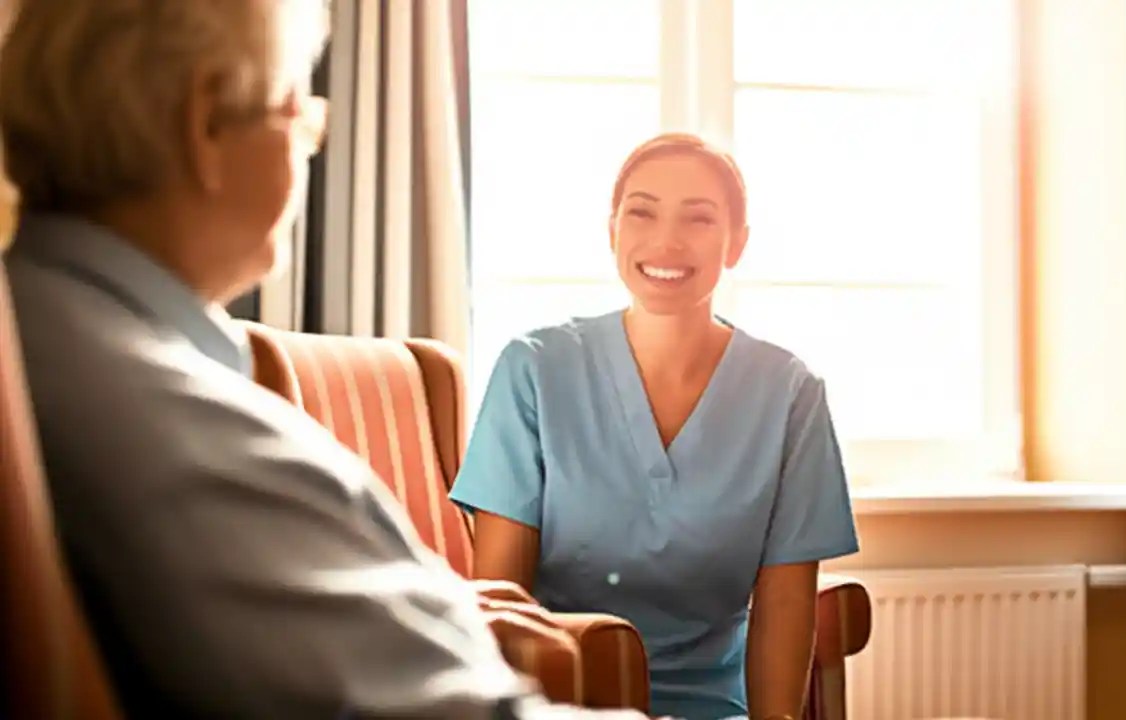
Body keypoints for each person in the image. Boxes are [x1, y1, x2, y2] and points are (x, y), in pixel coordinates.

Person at [0, 1, 649, 718]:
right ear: (208, 123)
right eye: (298, 114)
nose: (308, 142)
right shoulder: (169, 424)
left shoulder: (44, 337)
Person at [450, 133, 861, 720]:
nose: (666, 241)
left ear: (736, 243)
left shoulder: (790, 393)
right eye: (642, 212)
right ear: (612, 230)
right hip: (563, 702)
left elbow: (785, 604)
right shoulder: (534, 369)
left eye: (699, 219)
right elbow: (501, 604)